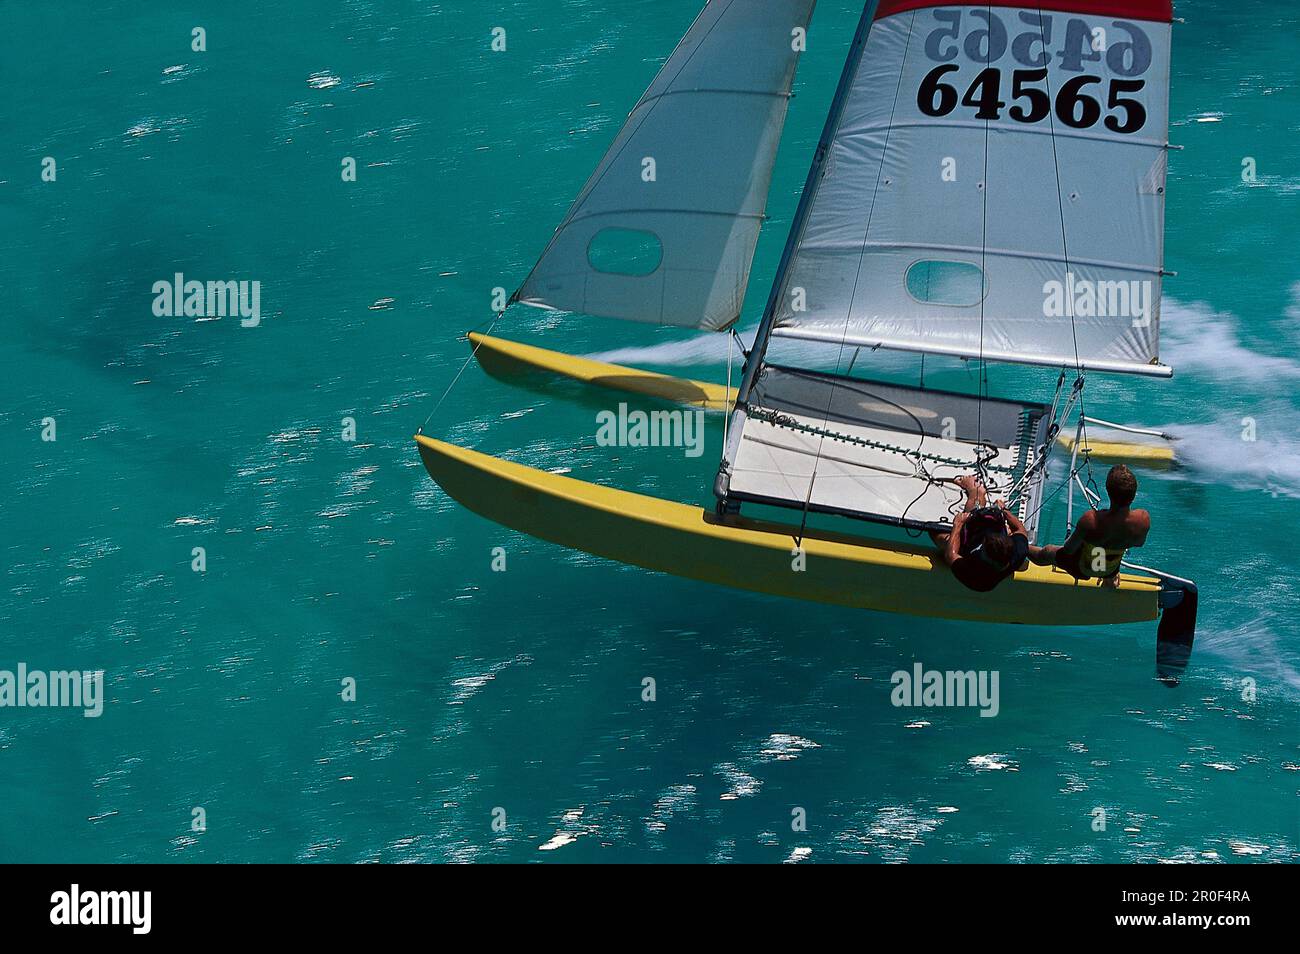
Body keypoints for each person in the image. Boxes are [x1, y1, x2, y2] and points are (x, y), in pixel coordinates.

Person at [1028, 464, 1149, 588]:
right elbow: (1139, 543)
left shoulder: (1092, 520)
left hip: (1082, 569)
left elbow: (1068, 549)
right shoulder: (1143, 519)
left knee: (1047, 552)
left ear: (1108, 491)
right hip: (1110, 569)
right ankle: (1109, 579)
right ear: (1134, 494)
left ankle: (1021, 547)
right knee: (1108, 550)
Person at [929, 475, 1030, 592]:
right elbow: (1020, 529)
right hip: (995, 529)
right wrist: (1003, 510)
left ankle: (975, 490)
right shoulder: (1018, 552)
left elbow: (951, 556)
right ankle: (978, 493)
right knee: (983, 514)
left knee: (935, 532)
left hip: (967, 547)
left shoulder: (975, 575)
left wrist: (958, 525)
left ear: (985, 552)